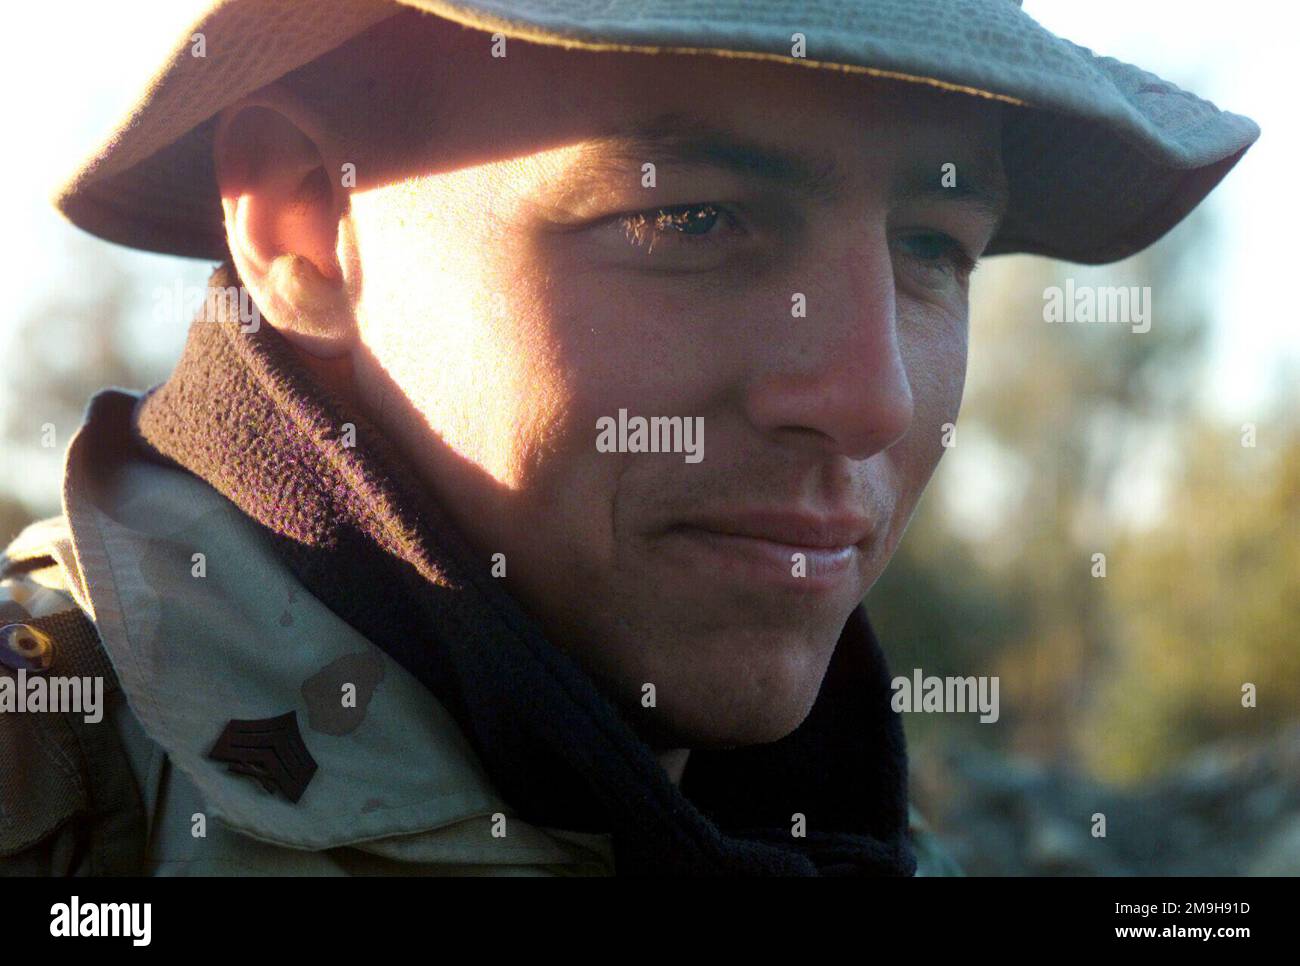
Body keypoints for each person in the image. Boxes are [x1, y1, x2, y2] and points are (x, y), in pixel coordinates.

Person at [0, 0, 1257, 875]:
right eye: (694, 221)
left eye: (932, 249)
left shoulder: (843, 836)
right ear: (305, 231)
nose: (868, 399)